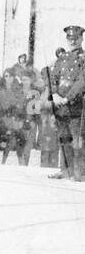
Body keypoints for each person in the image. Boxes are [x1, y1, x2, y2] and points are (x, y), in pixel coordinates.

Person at [47, 23, 85, 181]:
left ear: (81, 39)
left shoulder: (83, 58)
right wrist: (54, 94)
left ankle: (79, 173)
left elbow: (81, 81)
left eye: (76, 38)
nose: (72, 41)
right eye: (70, 38)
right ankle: (65, 170)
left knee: (77, 139)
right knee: (63, 138)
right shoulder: (61, 59)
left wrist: (67, 97)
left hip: (74, 105)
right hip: (60, 106)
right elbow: (53, 78)